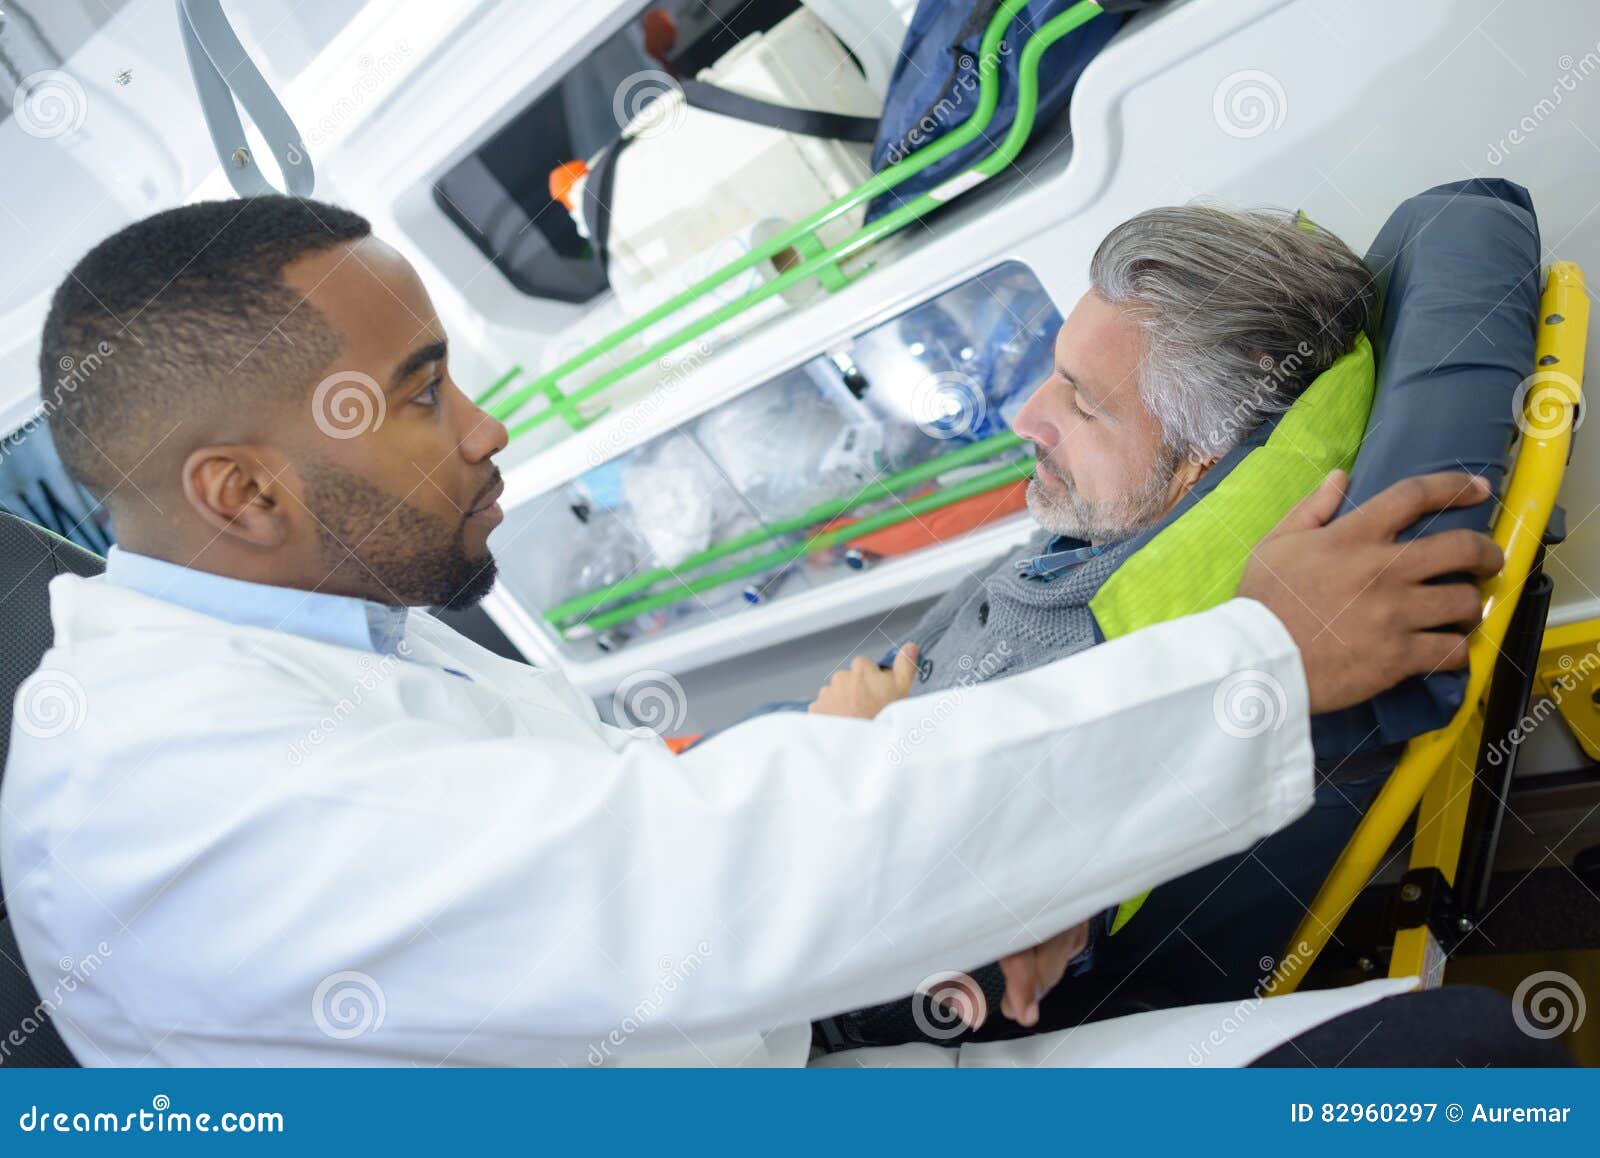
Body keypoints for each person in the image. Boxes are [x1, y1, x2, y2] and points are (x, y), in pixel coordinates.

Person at [1, 197, 1506, 1067]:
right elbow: (686, 879)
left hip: (750, 1051)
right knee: (1448, 1074)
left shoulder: (336, 628)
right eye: (418, 392)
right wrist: (1260, 662)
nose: (483, 425)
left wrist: (964, 859)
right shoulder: (167, 791)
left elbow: (612, 824)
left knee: (1441, 1068)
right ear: (243, 489)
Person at [803, 204, 1394, 1044]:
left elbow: (893, 999)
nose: (1024, 417)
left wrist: (849, 766)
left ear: (1202, 460)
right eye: (1054, 372)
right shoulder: (1091, 529)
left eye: (1079, 404)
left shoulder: (1103, 668)